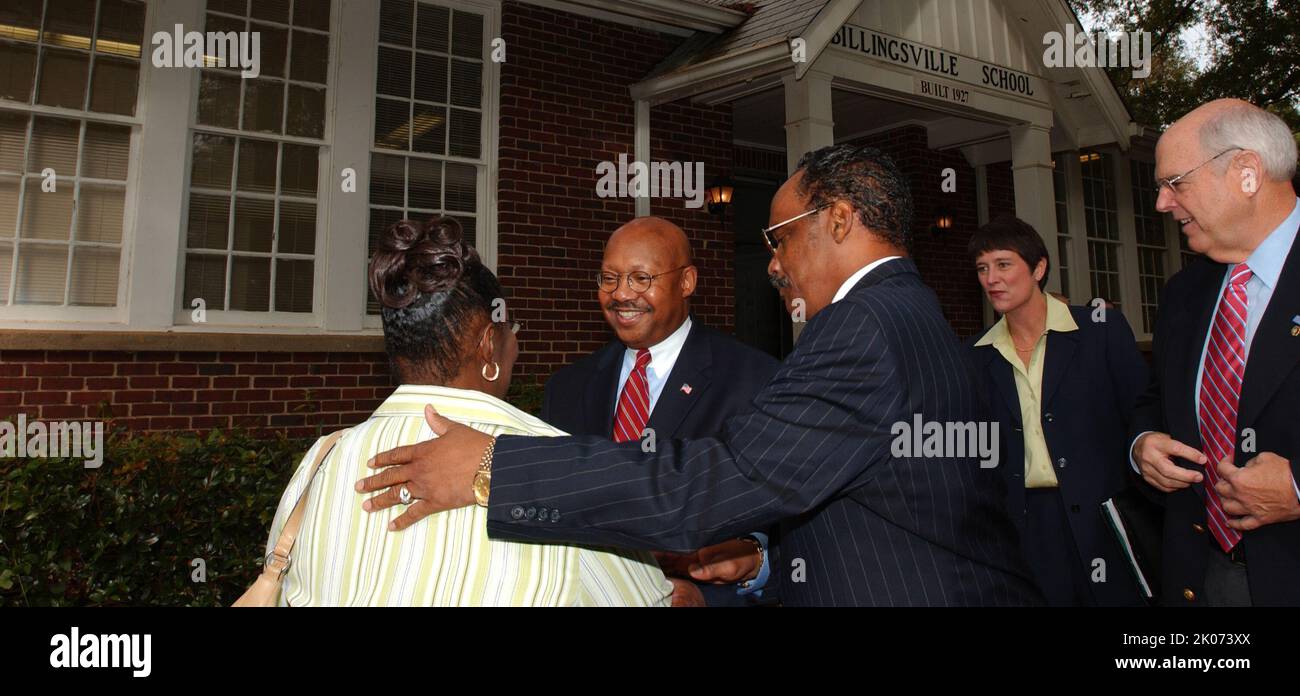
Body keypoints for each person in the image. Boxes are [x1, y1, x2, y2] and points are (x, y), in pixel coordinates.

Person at [357, 145, 1041, 606]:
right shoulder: (917, 313)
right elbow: (880, 505)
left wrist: (493, 466)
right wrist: (762, 564)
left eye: (780, 237)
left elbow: (701, 484)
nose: (772, 262)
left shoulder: (861, 327)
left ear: (838, 218)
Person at [263, 216, 670, 606]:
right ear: (488, 346)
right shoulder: (554, 463)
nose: (516, 344)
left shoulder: (323, 459)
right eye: (511, 329)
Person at [542, 216, 781, 606]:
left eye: (640, 278)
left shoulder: (754, 379)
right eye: (609, 278)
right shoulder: (566, 389)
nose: (621, 294)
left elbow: (782, 525)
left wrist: (710, 592)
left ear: (686, 282)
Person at [1130, 99, 1300, 606]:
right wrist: (1142, 447)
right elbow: (1156, 399)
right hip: (1204, 578)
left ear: (1247, 173)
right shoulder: (1185, 292)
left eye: (1175, 182)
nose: (1162, 203)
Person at [967, 215, 1147, 605]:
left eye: (1003, 264)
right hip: (1025, 525)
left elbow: (1142, 413)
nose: (991, 279)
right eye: (982, 268)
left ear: (1038, 268)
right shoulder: (976, 355)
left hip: (1104, 517)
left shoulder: (1100, 331)